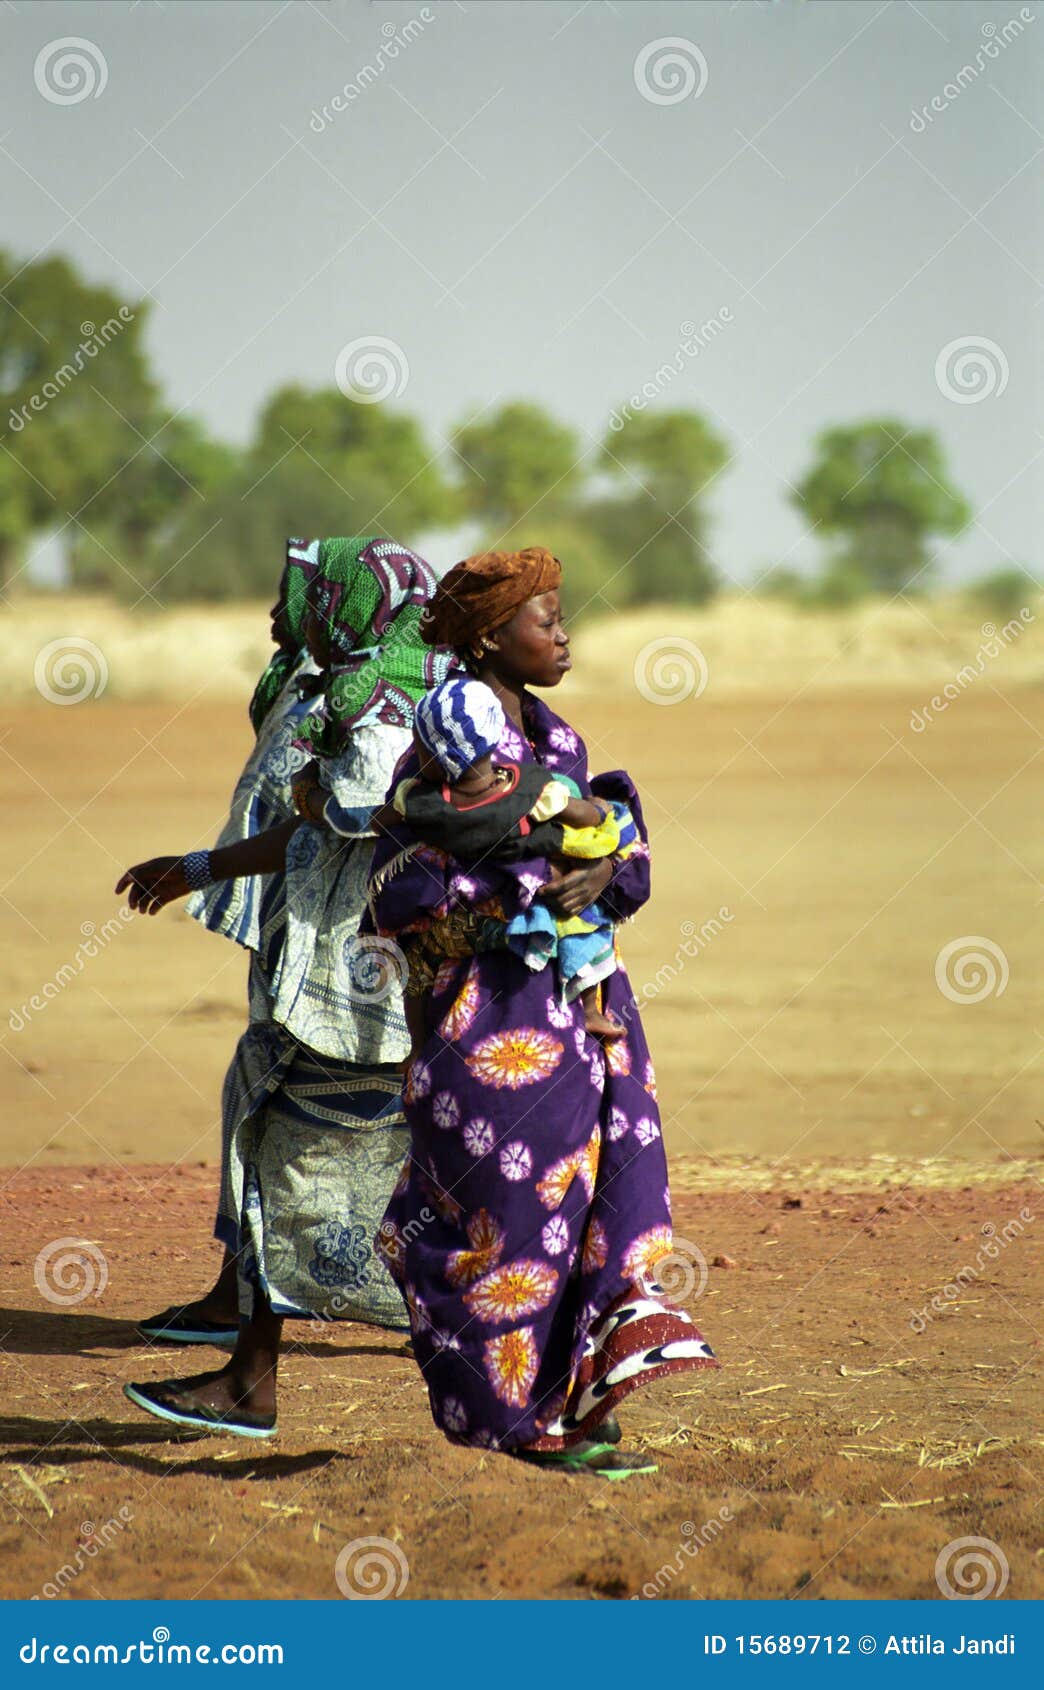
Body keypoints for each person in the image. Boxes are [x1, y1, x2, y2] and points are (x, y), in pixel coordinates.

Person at [366, 546, 717, 1479]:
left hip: (583, 1010)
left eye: (563, 617)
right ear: (489, 638)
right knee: (505, 1215)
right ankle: (510, 1420)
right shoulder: (439, 754)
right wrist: (517, 889)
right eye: (546, 619)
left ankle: (571, 1401)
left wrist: (599, 873)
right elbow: (399, 880)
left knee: (589, 1204)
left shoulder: (561, 745)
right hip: (486, 1016)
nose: (564, 635)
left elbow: (616, 851)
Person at [116, 536, 455, 1438]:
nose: (283, 615)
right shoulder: (357, 689)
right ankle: (264, 1340)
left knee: (296, 1150)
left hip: (357, 977)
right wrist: (211, 862)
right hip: (337, 961)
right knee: (287, 1132)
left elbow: (349, 816)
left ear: (350, 605)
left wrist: (220, 854)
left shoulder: (381, 708)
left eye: (304, 598)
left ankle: (255, 1382)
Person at [138, 540, 322, 1347]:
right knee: (269, 1099)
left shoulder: (363, 702)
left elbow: (323, 827)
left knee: (288, 1104)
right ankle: (242, 1293)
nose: (276, 614)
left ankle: (249, 1308)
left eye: (295, 598)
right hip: (289, 930)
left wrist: (200, 868)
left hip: (345, 947)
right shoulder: (306, 684)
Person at [382, 674, 639, 1043]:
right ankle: (590, 1010)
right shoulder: (528, 786)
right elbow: (579, 814)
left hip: (470, 956)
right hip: (542, 893)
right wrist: (599, 812)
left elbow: (381, 823)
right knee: (589, 926)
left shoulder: (423, 802)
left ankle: (417, 1048)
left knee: (416, 971)